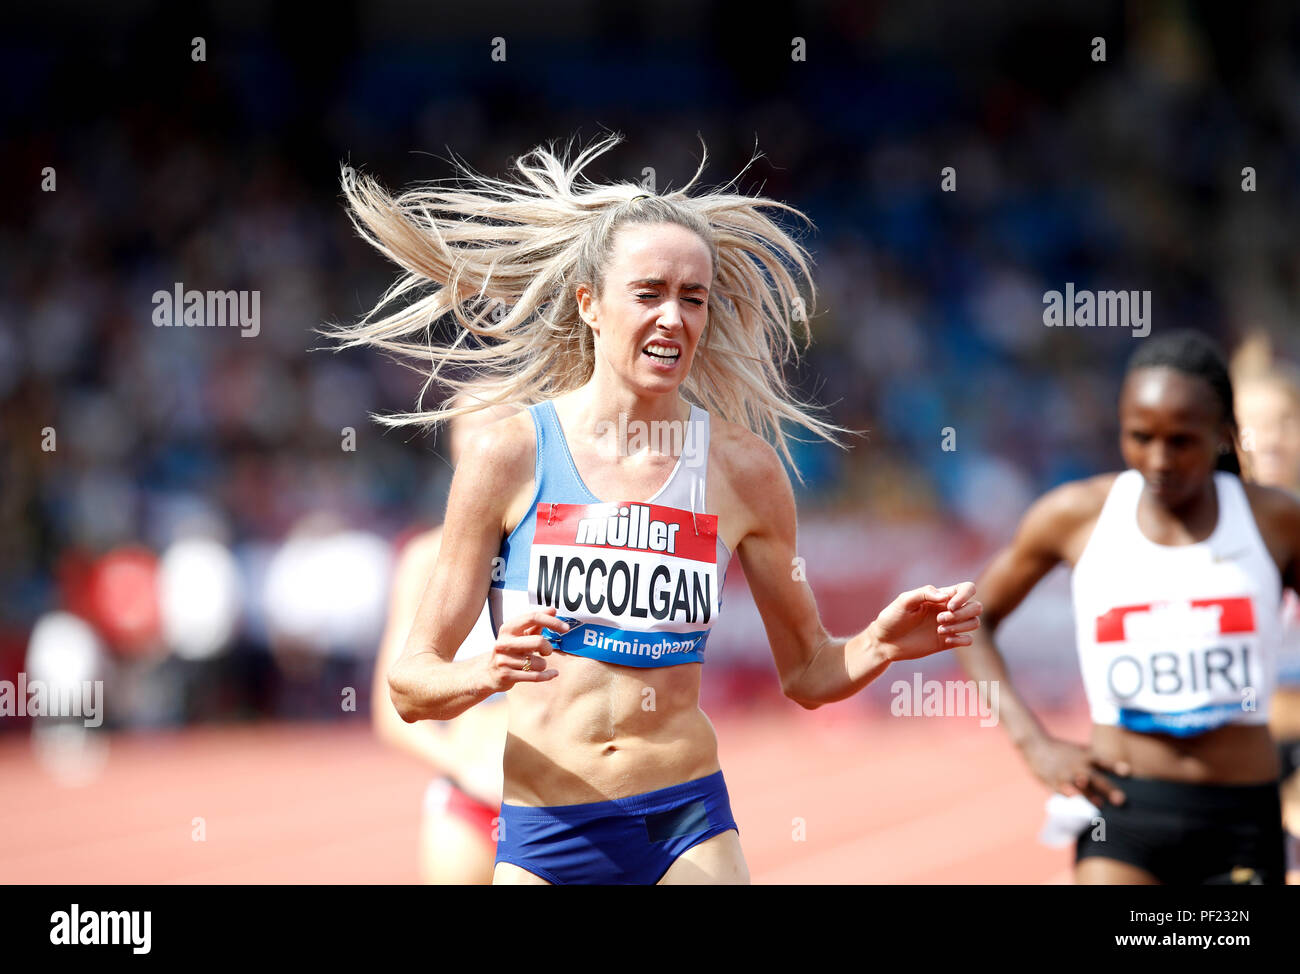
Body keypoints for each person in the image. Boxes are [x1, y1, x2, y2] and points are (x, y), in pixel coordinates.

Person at [327, 134, 981, 884]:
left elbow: (807, 673)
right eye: (649, 293)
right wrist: (487, 670)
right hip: (547, 827)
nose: (674, 318)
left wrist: (881, 644)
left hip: (685, 821)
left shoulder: (743, 471)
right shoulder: (509, 456)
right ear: (590, 305)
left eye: (692, 298)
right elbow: (410, 685)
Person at [957, 331, 1300, 884]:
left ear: (1223, 435)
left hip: (1241, 816)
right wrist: (1034, 743)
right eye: (1141, 437)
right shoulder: (1076, 517)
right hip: (1124, 814)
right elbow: (970, 620)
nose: (1159, 460)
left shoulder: (1272, 521)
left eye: (1182, 441)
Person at [371, 394, 515, 884]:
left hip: (556, 804)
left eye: (496, 425)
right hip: (466, 802)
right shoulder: (422, 560)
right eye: (466, 429)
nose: (481, 443)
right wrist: (468, 768)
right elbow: (392, 708)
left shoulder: (556, 549)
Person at [1231, 334, 1300, 883]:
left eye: (1285, 422)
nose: (1270, 440)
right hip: (1229, 757)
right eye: (1255, 425)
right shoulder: (1204, 529)